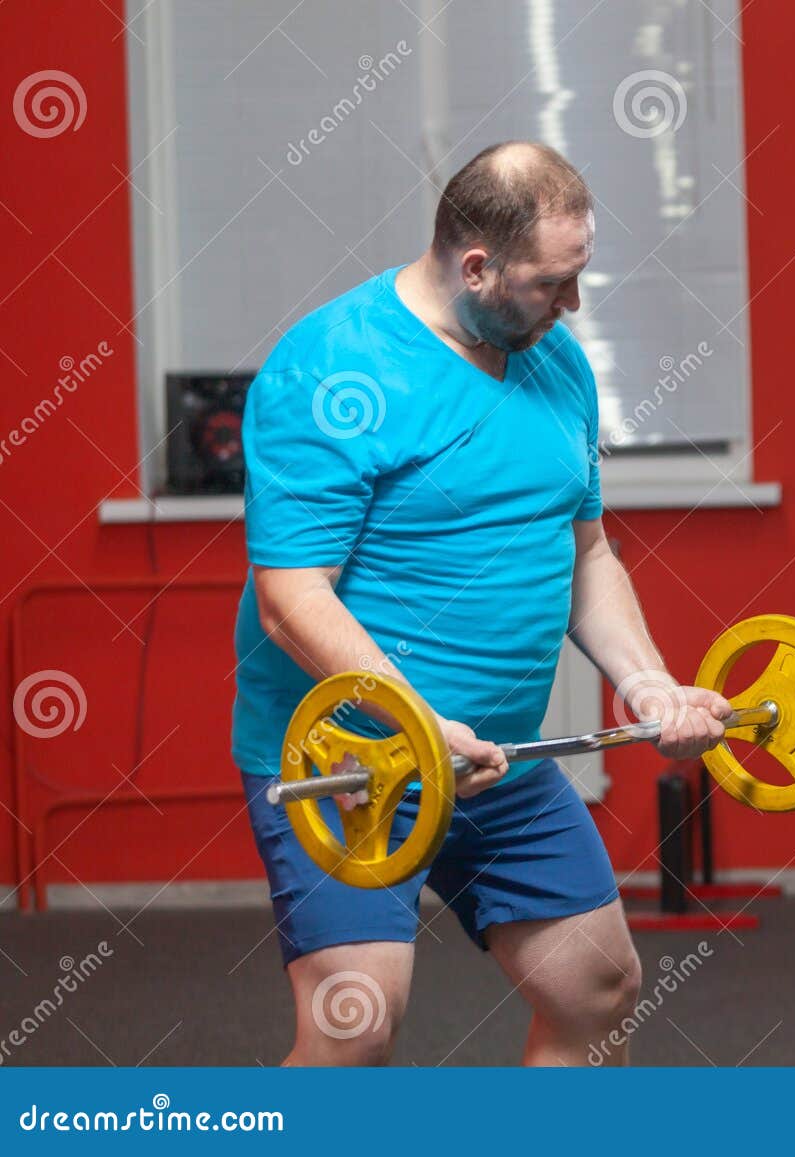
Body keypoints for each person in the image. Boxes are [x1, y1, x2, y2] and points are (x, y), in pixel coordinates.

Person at [233, 141, 731, 1066]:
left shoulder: (557, 364)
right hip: (352, 761)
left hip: (499, 757)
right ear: (475, 266)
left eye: (577, 277)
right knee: (355, 1022)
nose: (571, 304)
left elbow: (587, 553)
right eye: (551, 283)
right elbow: (290, 598)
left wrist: (650, 684)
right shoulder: (332, 369)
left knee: (597, 988)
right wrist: (417, 721)